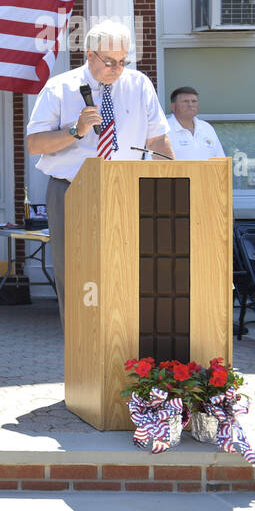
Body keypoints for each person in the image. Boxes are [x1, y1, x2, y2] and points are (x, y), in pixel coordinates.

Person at [26, 20, 173, 323]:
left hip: (128, 187)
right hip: (72, 188)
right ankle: (81, 342)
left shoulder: (138, 84)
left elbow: (157, 138)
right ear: (89, 54)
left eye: (123, 60)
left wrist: (171, 184)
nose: (117, 68)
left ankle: (124, 338)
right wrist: (75, 131)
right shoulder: (60, 87)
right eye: (110, 61)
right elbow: (34, 144)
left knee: (129, 266)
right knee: (77, 271)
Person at [167, 86, 225, 161]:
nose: (190, 105)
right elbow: (153, 164)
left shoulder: (207, 128)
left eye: (194, 101)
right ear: (173, 106)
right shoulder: (163, 130)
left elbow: (221, 160)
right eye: (185, 101)